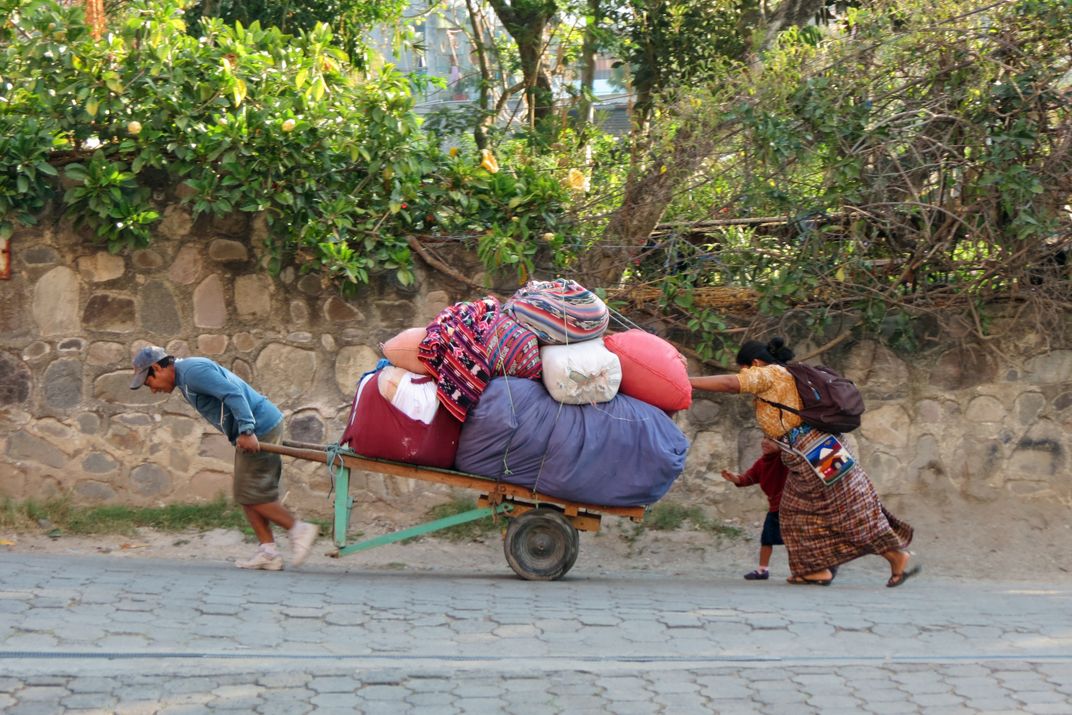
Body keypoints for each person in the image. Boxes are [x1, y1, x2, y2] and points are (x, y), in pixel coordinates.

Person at [690, 337, 919, 588]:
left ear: (754, 363)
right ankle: (815, 570)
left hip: (817, 451)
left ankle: (895, 555)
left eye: (743, 368)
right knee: (795, 512)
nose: (743, 373)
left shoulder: (770, 374)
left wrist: (687, 381)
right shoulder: (785, 375)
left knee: (848, 507)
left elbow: (730, 383)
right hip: (813, 451)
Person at [130, 345, 318, 571]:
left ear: (157, 368)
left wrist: (247, 430)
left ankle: (299, 530)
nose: (153, 390)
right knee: (246, 492)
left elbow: (232, 393)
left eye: (149, 383)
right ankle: (268, 552)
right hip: (254, 429)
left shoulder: (192, 372)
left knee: (253, 494)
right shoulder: (185, 376)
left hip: (259, 428)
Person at [721, 437, 787, 581]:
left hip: (792, 507)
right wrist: (734, 478)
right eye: (764, 437)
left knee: (795, 541)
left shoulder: (786, 459)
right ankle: (762, 570)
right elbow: (747, 479)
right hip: (775, 507)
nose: (765, 442)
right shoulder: (761, 463)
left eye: (771, 440)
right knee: (766, 539)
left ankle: (802, 569)